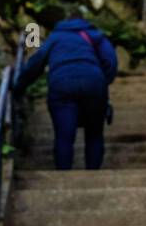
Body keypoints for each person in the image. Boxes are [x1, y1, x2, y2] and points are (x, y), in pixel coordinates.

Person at [14, 17, 118, 170]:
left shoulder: (55, 37)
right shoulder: (94, 34)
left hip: (61, 84)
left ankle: (64, 175)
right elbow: (111, 61)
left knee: (63, 136)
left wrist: (19, 87)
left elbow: (36, 63)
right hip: (94, 82)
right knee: (94, 133)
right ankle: (93, 174)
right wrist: (103, 81)